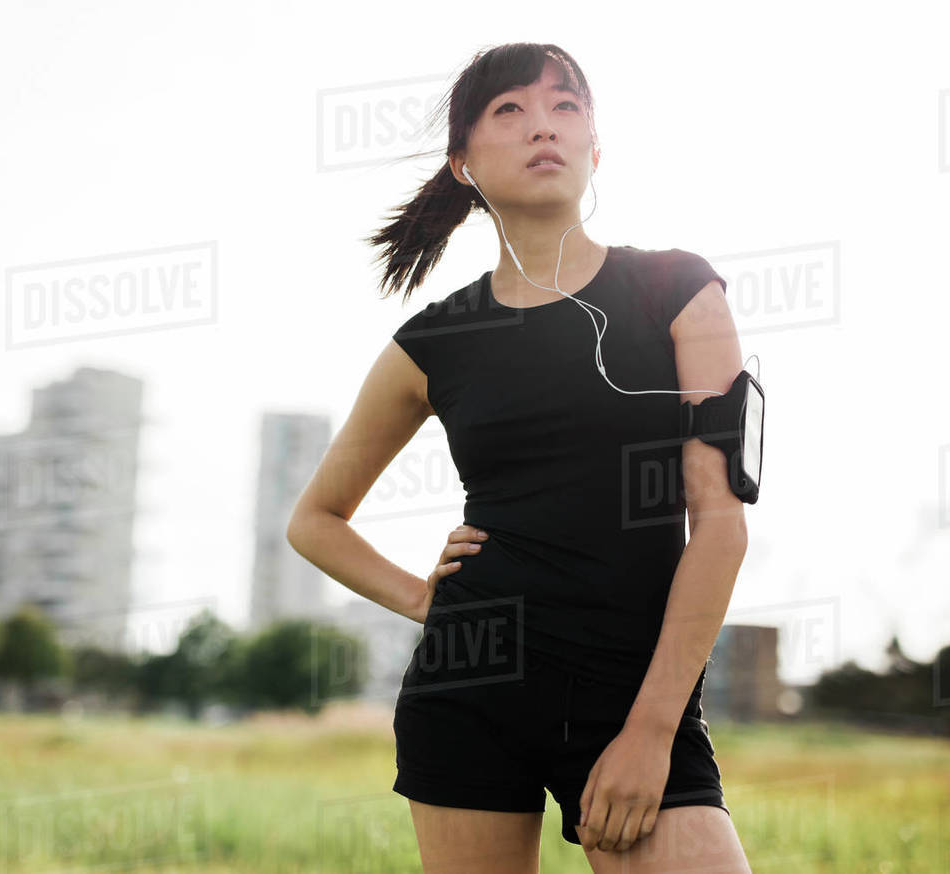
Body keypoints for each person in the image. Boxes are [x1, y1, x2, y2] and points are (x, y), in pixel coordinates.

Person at [286, 42, 752, 874]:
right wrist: (423, 599)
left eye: (566, 107)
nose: (544, 125)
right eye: (511, 109)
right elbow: (314, 522)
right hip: (469, 692)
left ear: (596, 150)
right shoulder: (433, 341)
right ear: (462, 163)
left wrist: (649, 733)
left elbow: (719, 524)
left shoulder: (679, 289)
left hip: (631, 688)